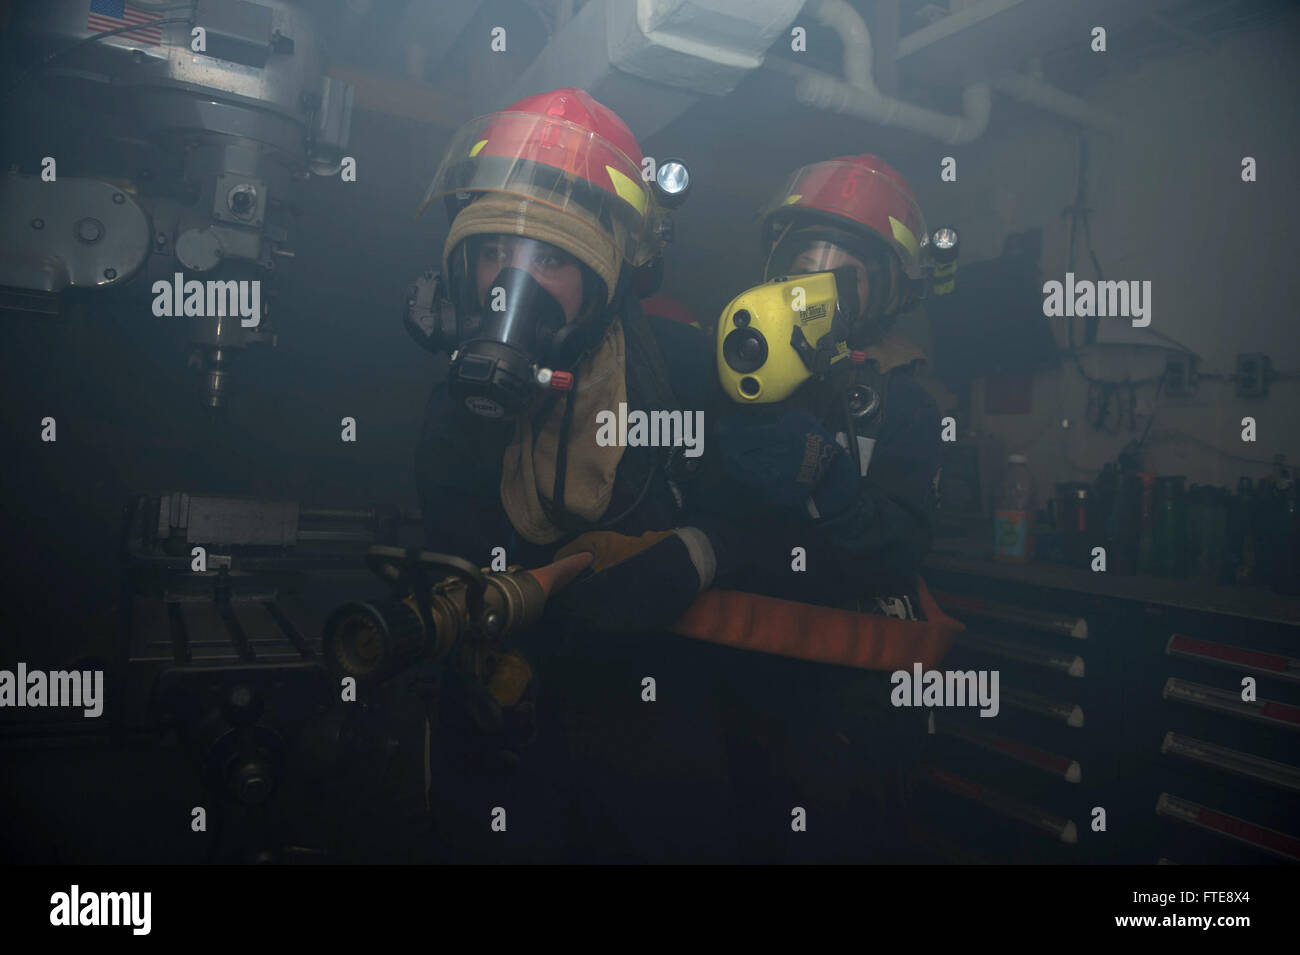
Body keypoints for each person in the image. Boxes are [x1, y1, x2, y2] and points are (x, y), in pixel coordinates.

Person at [410, 88, 743, 862]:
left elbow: (763, 520)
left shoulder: (682, 367)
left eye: (552, 258)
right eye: (495, 251)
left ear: (605, 279)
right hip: (509, 726)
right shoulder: (451, 408)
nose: (510, 285)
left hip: (651, 728)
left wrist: (689, 554)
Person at [698, 154, 951, 861]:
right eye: (805, 261)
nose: (818, 285)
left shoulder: (907, 405)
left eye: (845, 272)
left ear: (887, 294)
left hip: (848, 701)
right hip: (735, 682)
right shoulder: (732, 372)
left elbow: (904, 544)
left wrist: (832, 485)